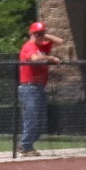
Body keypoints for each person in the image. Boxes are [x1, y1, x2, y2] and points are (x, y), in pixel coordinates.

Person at [17, 21, 63, 157]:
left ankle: (27, 144)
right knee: (31, 118)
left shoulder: (43, 45)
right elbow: (34, 58)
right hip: (29, 87)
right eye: (37, 34)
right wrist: (51, 57)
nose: (40, 36)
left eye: (41, 33)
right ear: (31, 34)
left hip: (40, 87)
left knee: (41, 119)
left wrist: (46, 35)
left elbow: (60, 41)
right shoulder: (29, 46)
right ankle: (25, 146)